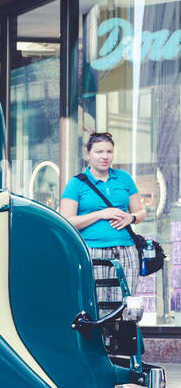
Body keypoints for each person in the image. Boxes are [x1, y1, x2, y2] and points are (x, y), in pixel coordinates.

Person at [59, 131, 145, 310]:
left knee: (126, 308)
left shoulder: (124, 178)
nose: (105, 157)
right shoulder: (77, 183)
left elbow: (141, 212)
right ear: (88, 154)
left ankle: (122, 339)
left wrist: (132, 217)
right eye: (99, 152)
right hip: (92, 252)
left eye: (109, 151)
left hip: (126, 251)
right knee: (97, 307)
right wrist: (100, 214)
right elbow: (67, 222)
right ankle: (100, 339)